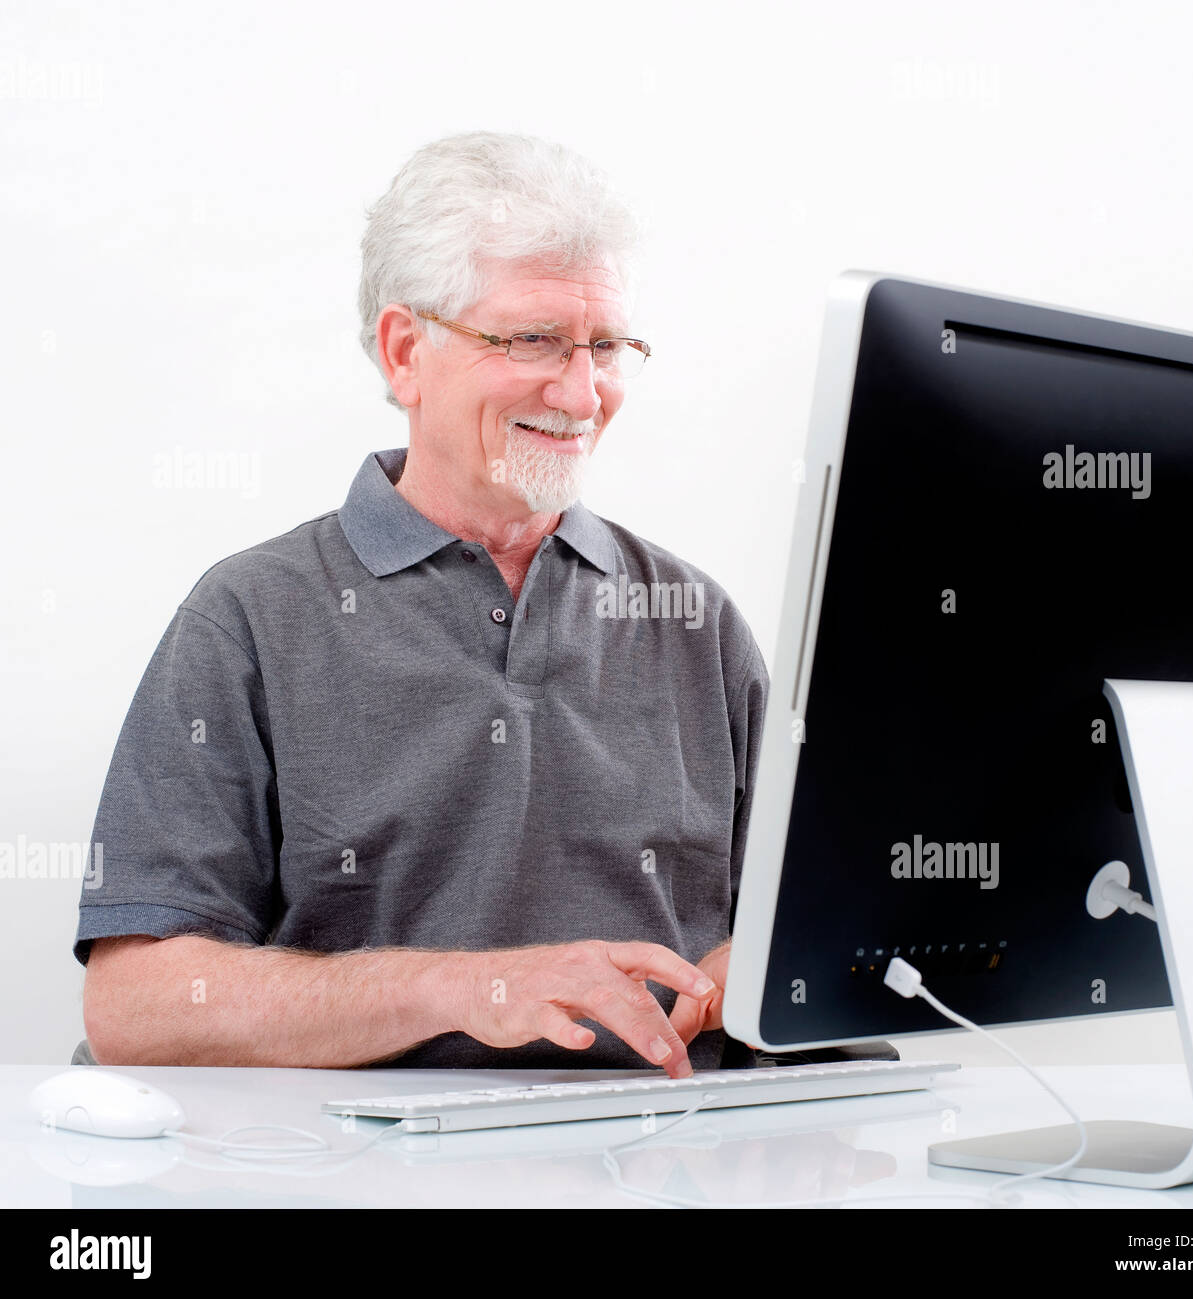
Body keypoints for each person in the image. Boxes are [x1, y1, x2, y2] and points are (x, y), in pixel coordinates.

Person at [76, 132, 769, 1078]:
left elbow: (816, 926)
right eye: (532, 340)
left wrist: (766, 974)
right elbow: (134, 1006)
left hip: (666, 1163)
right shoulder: (248, 617)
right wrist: (468, 989)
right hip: (366, 1171)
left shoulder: (700, 623)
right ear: (406, 352)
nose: (581, 391)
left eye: (604, 345)